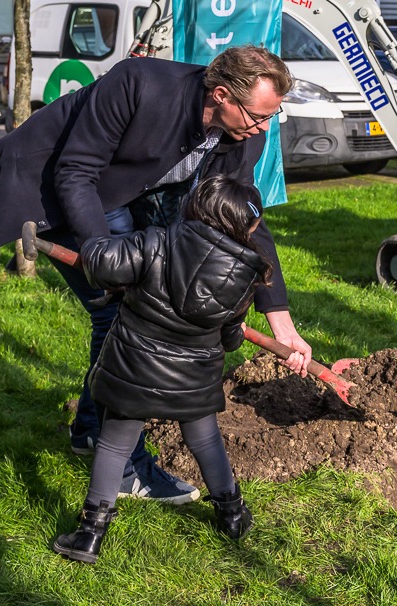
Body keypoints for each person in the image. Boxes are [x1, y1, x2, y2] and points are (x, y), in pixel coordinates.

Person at [0, 45, 313, 505]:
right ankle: (123, 466)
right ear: (222, 94)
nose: (263, 128)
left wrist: (280, 319)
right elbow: (76, 172)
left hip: (126, 195)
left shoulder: (245, 134)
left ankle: (91, 431)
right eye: (256, 116)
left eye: (273, 115)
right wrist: (101, 256)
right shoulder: (138, 84)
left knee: (123, 314)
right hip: (56, 187)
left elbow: (244, 218)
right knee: (121, 315)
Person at [53, 175, 272, 564]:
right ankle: (232, 515)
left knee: (114, 443)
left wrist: (98, 250)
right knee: (206, 441)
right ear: (245, 227)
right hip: (194, 379)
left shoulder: (156, 240)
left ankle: (90, 535)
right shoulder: (245, 276)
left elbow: (103, 264)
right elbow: (230, 339)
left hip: (134, 368)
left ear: (196, 206)